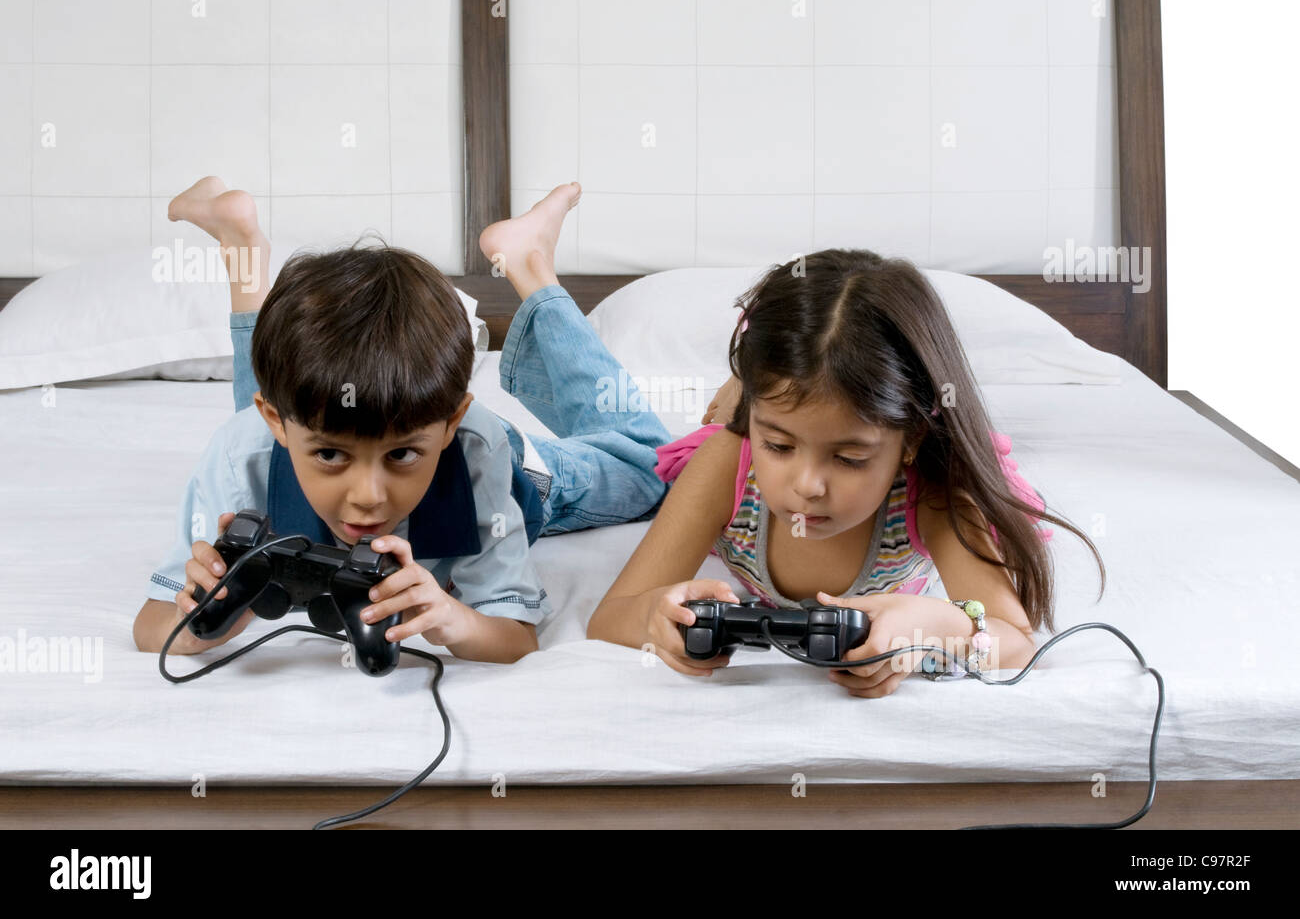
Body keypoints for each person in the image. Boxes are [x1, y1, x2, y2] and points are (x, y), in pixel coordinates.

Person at [134, 179, 672, 664]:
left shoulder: (475, 449)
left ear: (448, 423)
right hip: (311, 428)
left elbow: (515, 637)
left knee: (654, 467)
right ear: (275, 421)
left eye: (400, 456)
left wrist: (452, 619)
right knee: (275, 424)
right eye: (330, 455)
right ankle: (242, 249)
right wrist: (199, 625)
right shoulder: (241, 451)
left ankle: (528, 262)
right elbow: (151, 626)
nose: (368, 497)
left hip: (494, 461)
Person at [588, 248, 1105, 695]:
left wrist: (939, 625)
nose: (807, 486)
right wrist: (654, 616)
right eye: (780, 445)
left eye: (849, 458)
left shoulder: (933, 494)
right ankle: (537, 277)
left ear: (909, 443)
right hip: (719, 447)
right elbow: (610, 617)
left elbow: (1014, 639)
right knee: (615, 436)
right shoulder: (727, 463)